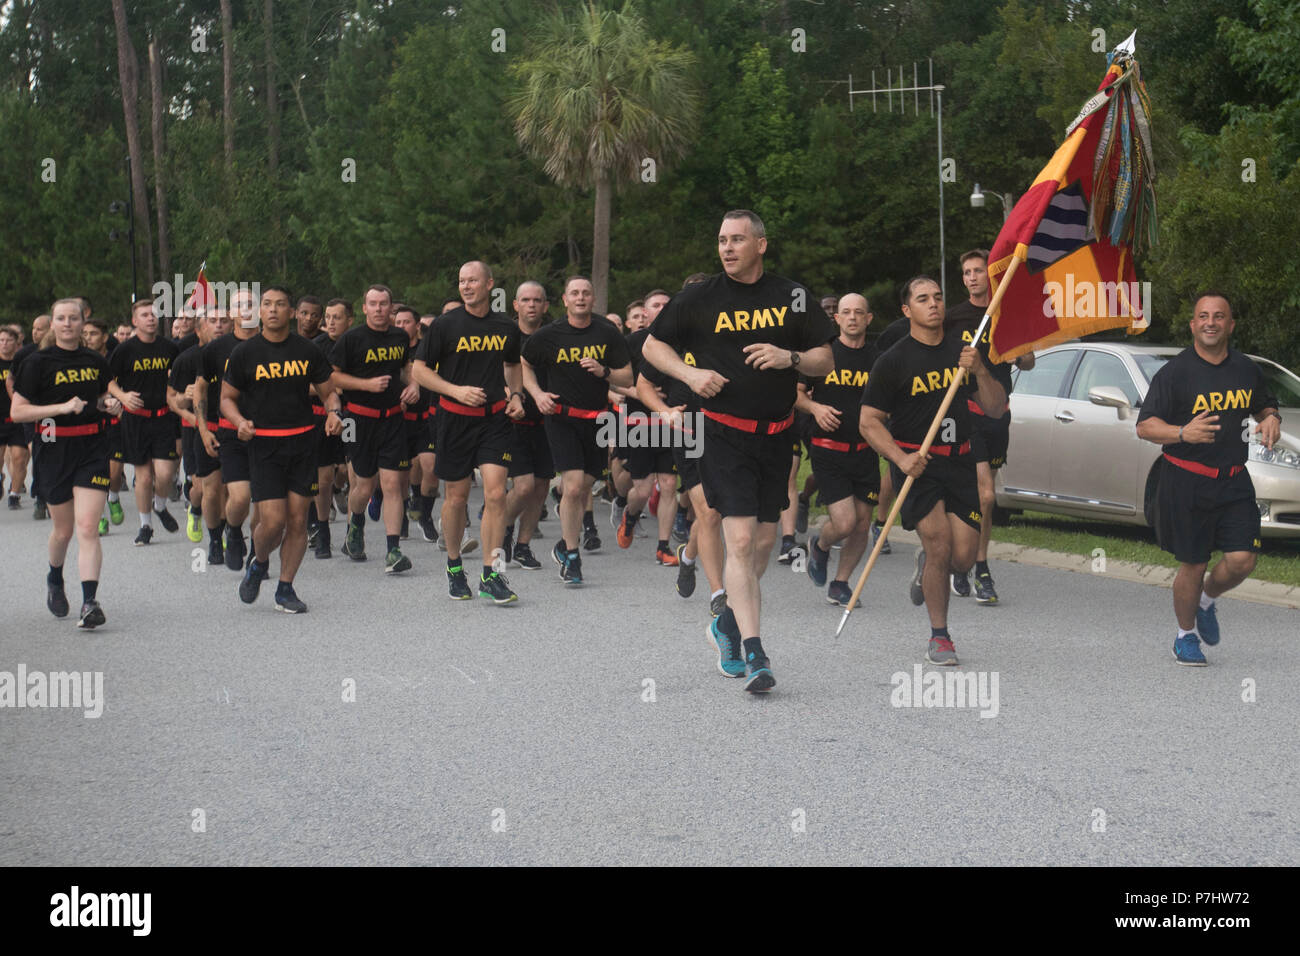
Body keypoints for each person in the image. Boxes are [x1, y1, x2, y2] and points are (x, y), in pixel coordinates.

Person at [643, 209, 835, 693]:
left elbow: (824, 358)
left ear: (761, 245)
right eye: (722, 240)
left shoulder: (791, 295)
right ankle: (755, 652)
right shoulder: (699, 297)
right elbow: (651, 348)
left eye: (737, 240)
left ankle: (727, 621)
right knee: (742, 542)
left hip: (776, 434)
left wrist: (787, 356)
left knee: (764, 544)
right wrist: (690, 376)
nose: (727, 248)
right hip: (722, 434)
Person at [859, 276, 1007, 666]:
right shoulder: (893, 361)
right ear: (907, 310)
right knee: (939, 544)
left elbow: (995, 408)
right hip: (918, 465)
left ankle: (929, 567)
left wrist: (980, 372)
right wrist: (900, 459)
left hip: (960, 461)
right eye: (923, 299)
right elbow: (869, 422)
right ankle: (940, 636)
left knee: (962, 558)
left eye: (938, 297)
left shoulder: (965, 351)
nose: (934, 304)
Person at [1135, 292, 1281, 665]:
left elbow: (1264, 403)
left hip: (1233, 480)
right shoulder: (1175, 373)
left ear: (1231, 325)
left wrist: (1270, 418)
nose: (1211, 322)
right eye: (1203, 316)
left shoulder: (1246, 369)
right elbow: (1145, 426)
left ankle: (1206, 601)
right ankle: (1185, 637)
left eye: (1218, 316)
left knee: (1242, 560)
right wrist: (1183, 433)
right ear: (1193, 325)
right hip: (1186, 481)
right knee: (1194, 564)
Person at [221, 285, 343, 613]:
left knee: (298, 521)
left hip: (303, 443)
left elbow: (330, 392)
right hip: (264, 445)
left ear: (290, 312)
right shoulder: (245, 354)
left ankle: (285, 588)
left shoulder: (307, 350)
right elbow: (226, 399)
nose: (273, 310)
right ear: (259, 312)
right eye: (267, 304)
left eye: (280, 305)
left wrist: (334, 412)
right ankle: (259, 562)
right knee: (272, 522)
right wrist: (240, 422)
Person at [412, 262, 523, 603]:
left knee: (496, 495)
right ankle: (454, 566)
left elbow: (512, 363)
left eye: (473, 280)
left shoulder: (506, 326)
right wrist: (455, 390)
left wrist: (516, 394)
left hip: (494, 420)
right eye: (461, 281)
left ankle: (493, 574)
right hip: (455, 418)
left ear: (489, 283)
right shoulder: (445, 326)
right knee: (456, 497)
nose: (466, 286)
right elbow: (419, 370)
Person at [10, 298, 120, 628]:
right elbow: (18, 411)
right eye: (62, 318)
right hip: (53, 448)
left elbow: (101, 396)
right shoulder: (36, 362)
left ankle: (89, 601)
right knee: (64, 530)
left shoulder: (95, 360)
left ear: (82, 323)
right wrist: (59, 408)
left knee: (88, 527)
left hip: (91, 447)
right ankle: (55, 577)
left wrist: (110, 404)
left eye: (74, 318)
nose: (68, 323)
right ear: (53, 324)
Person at [522, 276, 633, 585]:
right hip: (562, 418)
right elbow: (524, 363)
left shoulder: (607, 334)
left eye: (586, 293)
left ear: (593, 299)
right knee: (572, 487)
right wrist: (537, 394)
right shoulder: (549, 335)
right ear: (565, 300)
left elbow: (627, 375)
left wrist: (604, 371)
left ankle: (563, 542)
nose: (581, 297)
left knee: (585, 485)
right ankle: (572, 555)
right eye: (575, 293)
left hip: (597, 419)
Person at [942, 249, 1035, 604]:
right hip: (965, 413)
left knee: (983, 497)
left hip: (999, 414)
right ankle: (979, 567)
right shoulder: (954, 318)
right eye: (966, 273)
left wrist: (1018, 352)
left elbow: (1028, 362)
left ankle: (963, 561)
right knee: (985, 494)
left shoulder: (1005, 315)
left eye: (978, 271)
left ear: (990, 274)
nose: (971, 278)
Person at [797, 293, 879, 606]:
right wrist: (815, 409)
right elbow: (796, 395)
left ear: (869, 319)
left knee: (861, 524)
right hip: (828, 448)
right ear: (838, 318)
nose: (853, 317)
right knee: (844, 522)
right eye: (846, 312)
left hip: (865, 450)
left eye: (860, 312)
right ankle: (820, 545)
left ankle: (841, 583)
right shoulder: (822, 354)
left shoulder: (878, 359)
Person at [330, 284, 416, 573]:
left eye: (384, 304)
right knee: (363, 485)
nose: (379, 309)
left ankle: (393, 550)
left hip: (391, 417)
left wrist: (413, 385)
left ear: (391, 308)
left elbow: (406, 368)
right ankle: (356, 524)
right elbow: (333, 379)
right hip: (356, 418)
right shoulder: (351, 339)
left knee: (392, 484)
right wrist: (366, 385)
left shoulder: (399, 336)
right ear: (364, 308)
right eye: (373, 304)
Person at [614, 289, 680, 565]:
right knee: (641, 489)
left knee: (668, 484)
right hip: (639, 421)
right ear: (646, 313)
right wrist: (641, 394)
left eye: (667, 304)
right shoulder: (632, 342)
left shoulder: (684, 342)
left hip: (674, 421)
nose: (662, 308)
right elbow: (612, 380)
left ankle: (663, 547)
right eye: (656, 304)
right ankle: (629, 516)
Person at [107, 298, 181, 545]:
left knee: (165, 474)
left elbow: (179, 378)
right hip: (135, 420)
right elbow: (108, 380)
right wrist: (122, 395)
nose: (151, 318)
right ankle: (145, 525)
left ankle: (159, 506)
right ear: (134, 321)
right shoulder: (124, 350)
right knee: (144, 477)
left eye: (154, 314)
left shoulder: (169, 348)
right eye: (145, 315)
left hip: (162, 417)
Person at [199, 288, 260, 569]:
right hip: (229, 431)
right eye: (240, 305)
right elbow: (200, 390)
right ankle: (231, 531)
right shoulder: (215, 349)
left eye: (251, 304)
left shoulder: (272, 344)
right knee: (241, 497)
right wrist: (202, 429)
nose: (246, 310)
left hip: (269, 432)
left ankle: (257, 553)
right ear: (230, 313)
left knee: (264, 501)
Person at [502, 281, 554, 570]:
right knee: (523, 487)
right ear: (516, 305)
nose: (532, 305)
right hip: (512, 422)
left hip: (548, 423)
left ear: (545, 306)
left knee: (541, 488)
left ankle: (523, 545)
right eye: (526, 300)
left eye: (537, 300)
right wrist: (510, 396)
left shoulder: (553, 337)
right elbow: (495, 373)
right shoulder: (505, 334)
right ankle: (503, 529)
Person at [309, 298, 352, 557]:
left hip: (355, 417)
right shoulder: (315, 347)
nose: (331, 322)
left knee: (351, 473)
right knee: (322, 480)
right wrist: (332, 388)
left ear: (349, 320)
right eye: (328, 317)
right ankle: (322, 530)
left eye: (337, 317)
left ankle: (352, 533)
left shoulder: (357, 342)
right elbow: (304, 386)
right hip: (321, 417)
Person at [10, 313, 52, 519]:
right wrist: (20, 405)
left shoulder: (59, 353)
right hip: (32, 416)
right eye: (33, 329)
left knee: (51, 453)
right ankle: (41, 497)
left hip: (54, 416)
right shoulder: (25, 354)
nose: (35, 333)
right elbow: (11, 380)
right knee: (38, 453)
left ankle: (53, 494)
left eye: (40, 329)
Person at [0, 325, 30, 509]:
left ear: (16, 342)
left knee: (19, 458)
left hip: (18, 417)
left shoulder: (22, 362)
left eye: (8, 340)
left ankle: (14, 494)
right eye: (1, 340)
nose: (4, 344)